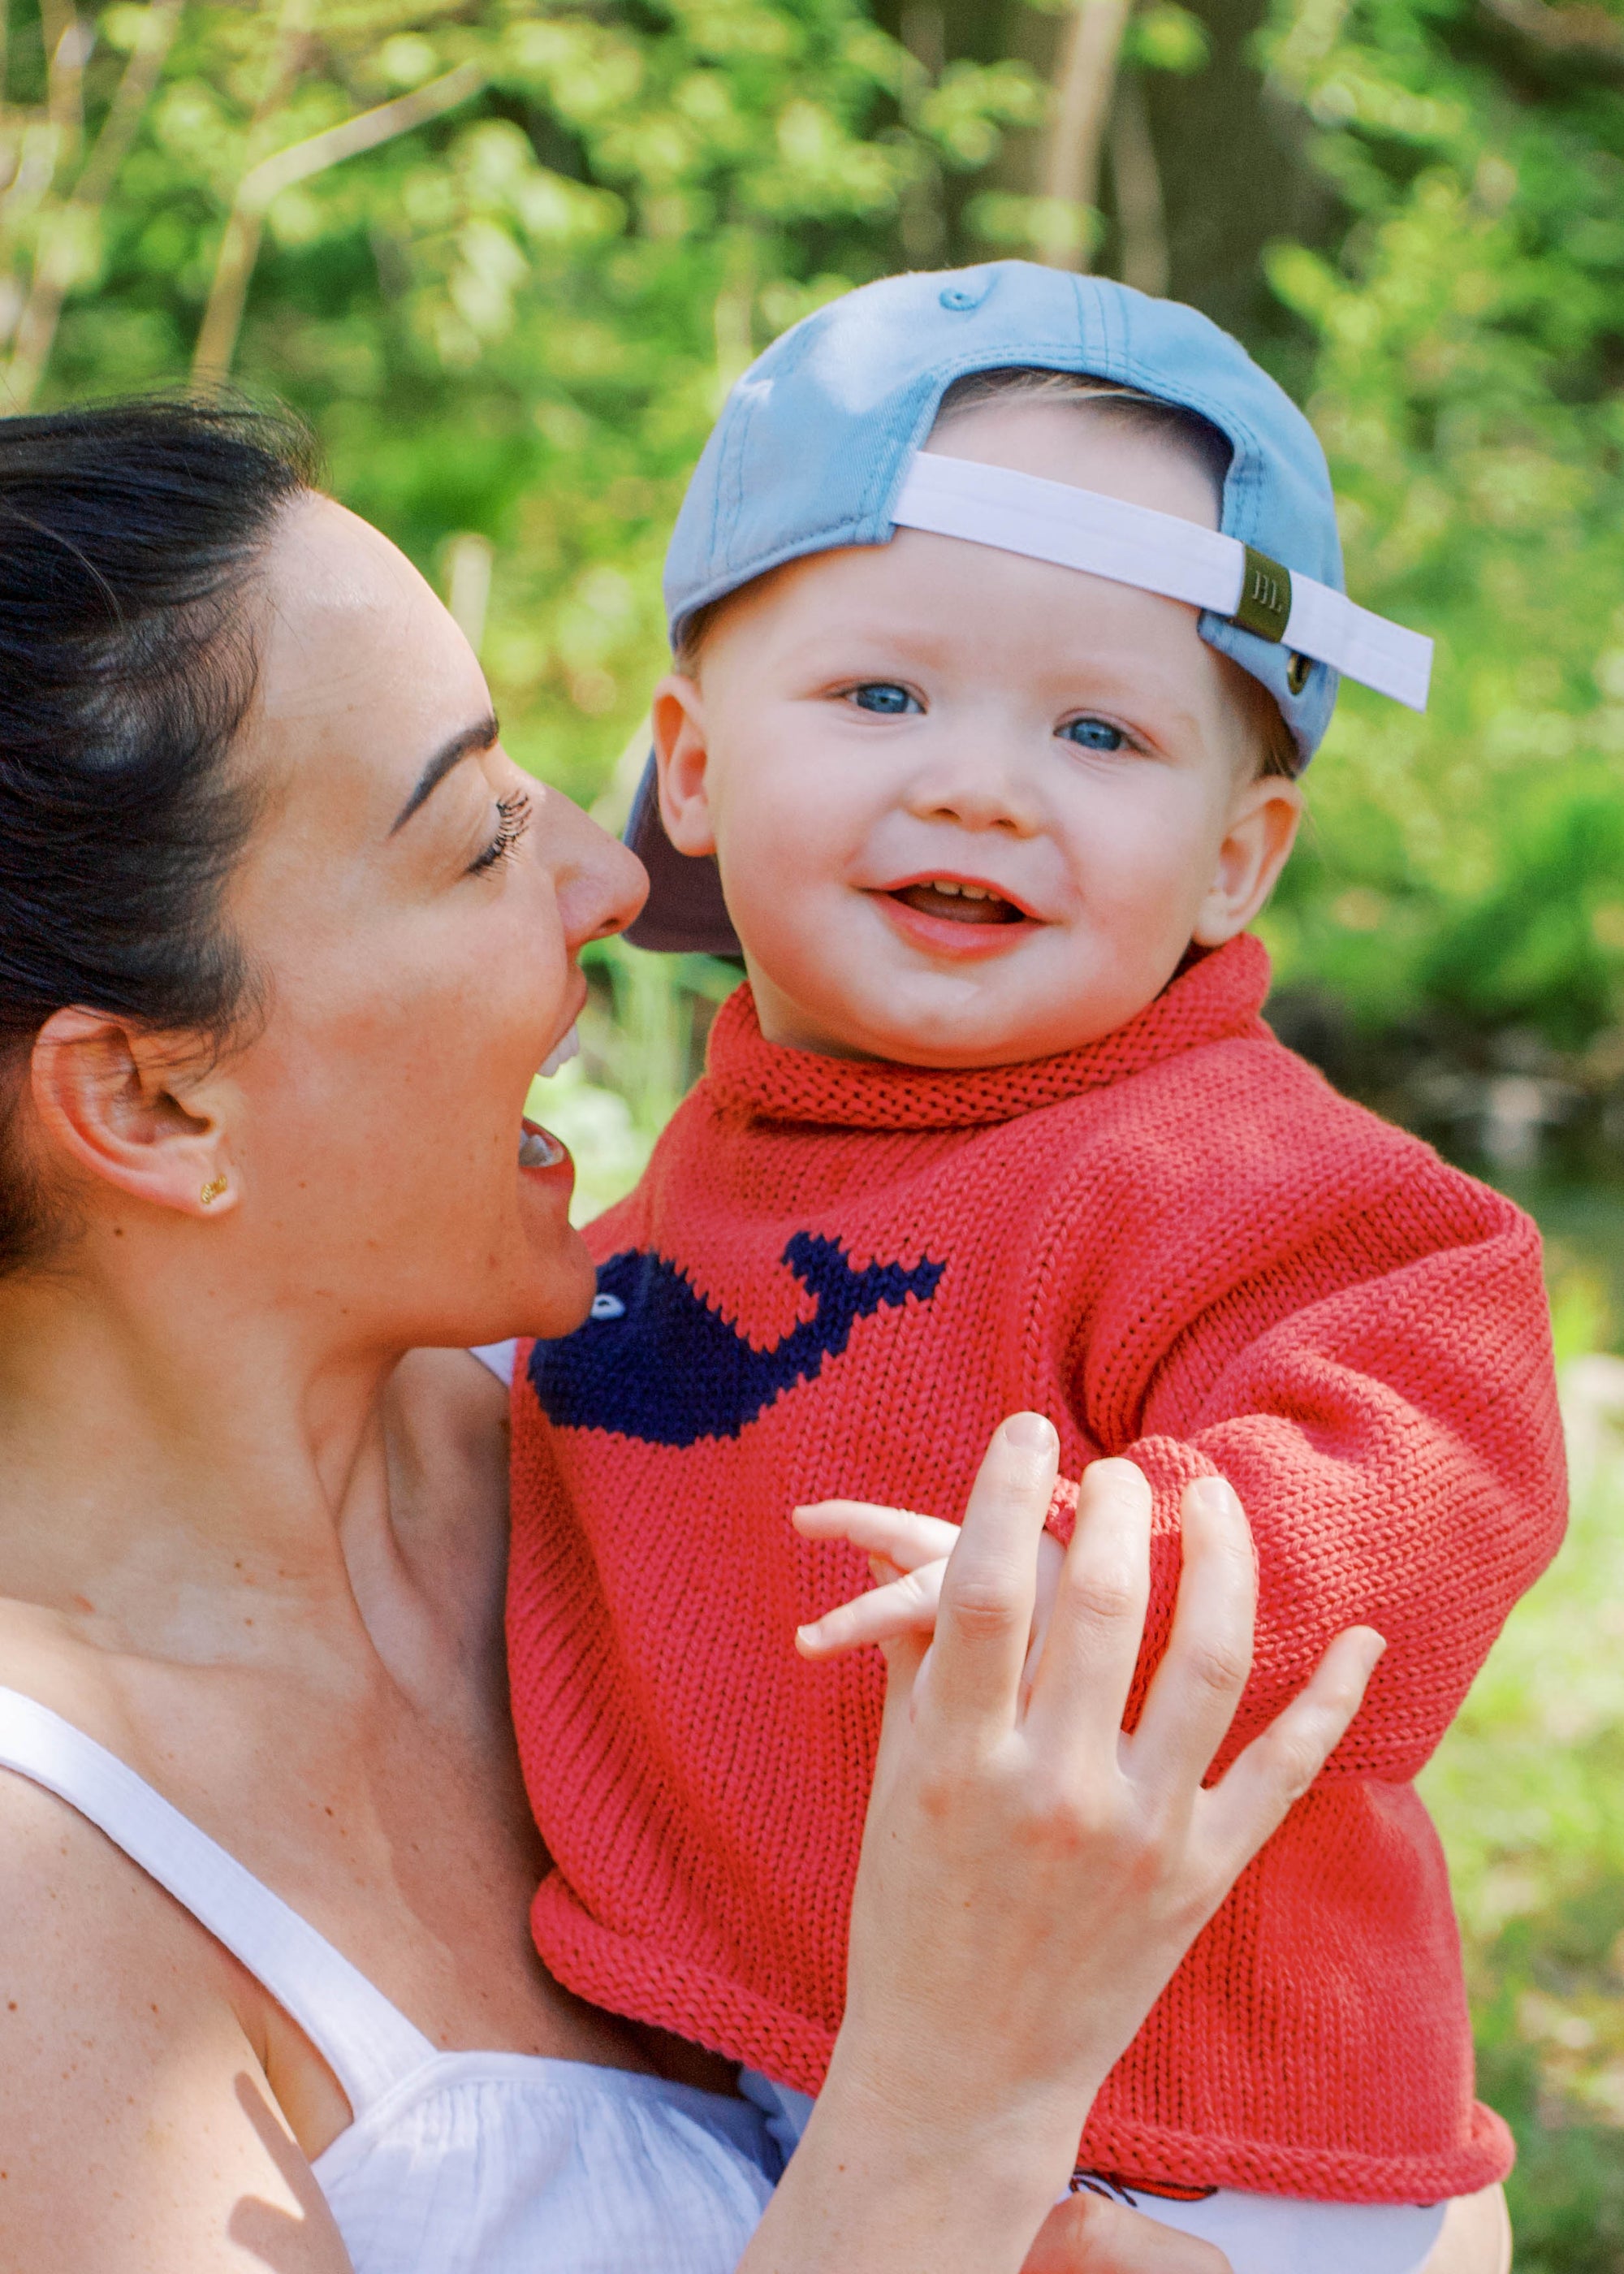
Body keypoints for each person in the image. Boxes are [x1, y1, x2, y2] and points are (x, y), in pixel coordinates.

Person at [0, 396, 1384, 2274]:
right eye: (481, 836)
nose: (616, 875)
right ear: (152, 1098)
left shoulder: (665, 1407)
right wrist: (954, 2106)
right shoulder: (43, 1904)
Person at [503, 262, 1562, 2272]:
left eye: (1098, 729)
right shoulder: (674, 1215)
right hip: (785, 2064)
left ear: (1235, 857)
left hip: (1186, 2118)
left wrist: (1101, 1572)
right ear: (694, 765)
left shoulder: (1236, 1175)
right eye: (881, 696)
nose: (980, 782)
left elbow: (1430, 1454)